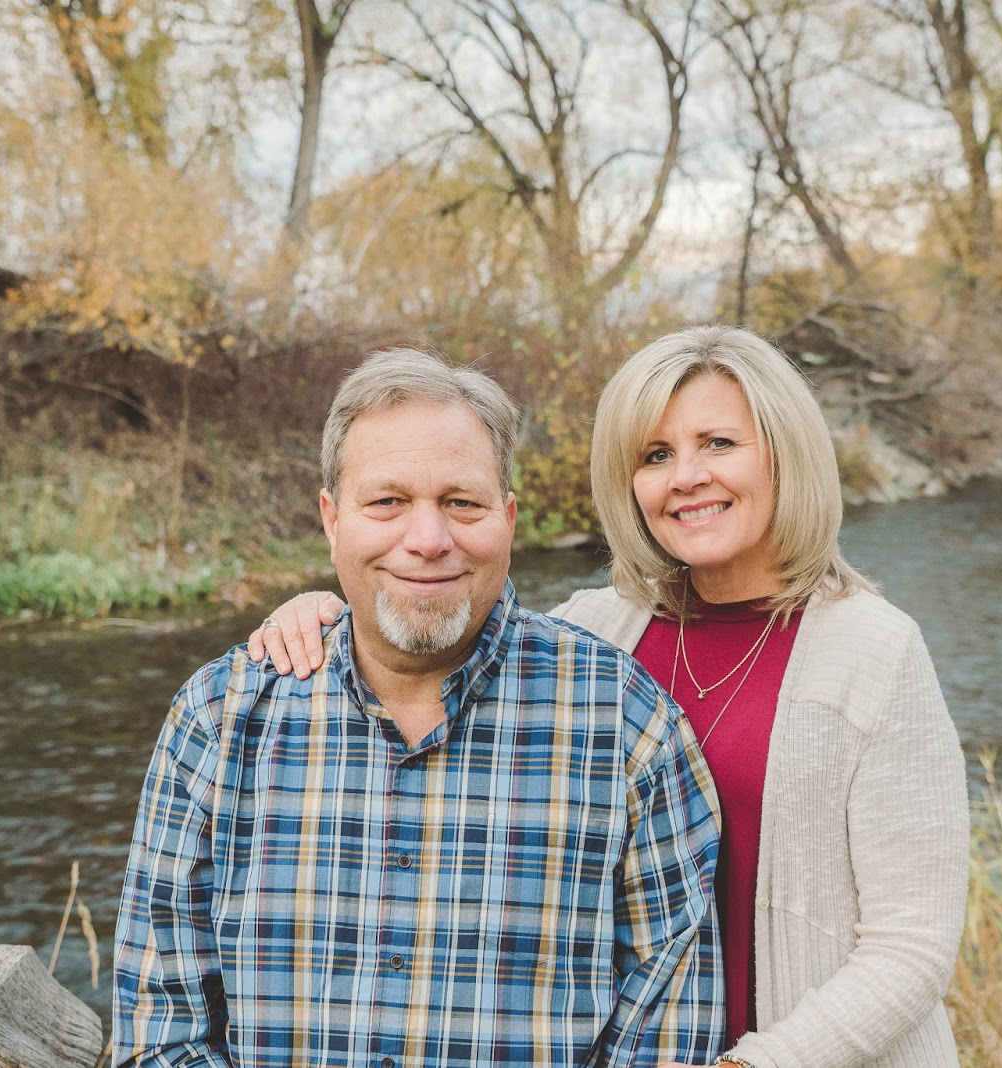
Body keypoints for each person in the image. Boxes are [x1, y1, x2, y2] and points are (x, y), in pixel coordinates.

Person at [250, 326, 971, 1068]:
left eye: (719, 443)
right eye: (656, 456)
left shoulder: (874, 652)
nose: (686, 476)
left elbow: (911, 948)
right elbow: (437, 628)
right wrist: (322, 610)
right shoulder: (596, 629)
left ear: (783, 454)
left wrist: (755, 1063)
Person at [112, 348, 728, 1068]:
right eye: (388, 502)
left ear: (508, 518)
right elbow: (163, 1030)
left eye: (461, 503)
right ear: (332, 519)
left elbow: (667, 1038)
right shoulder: (219, 721)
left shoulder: (627, 727)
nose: (428, 540)